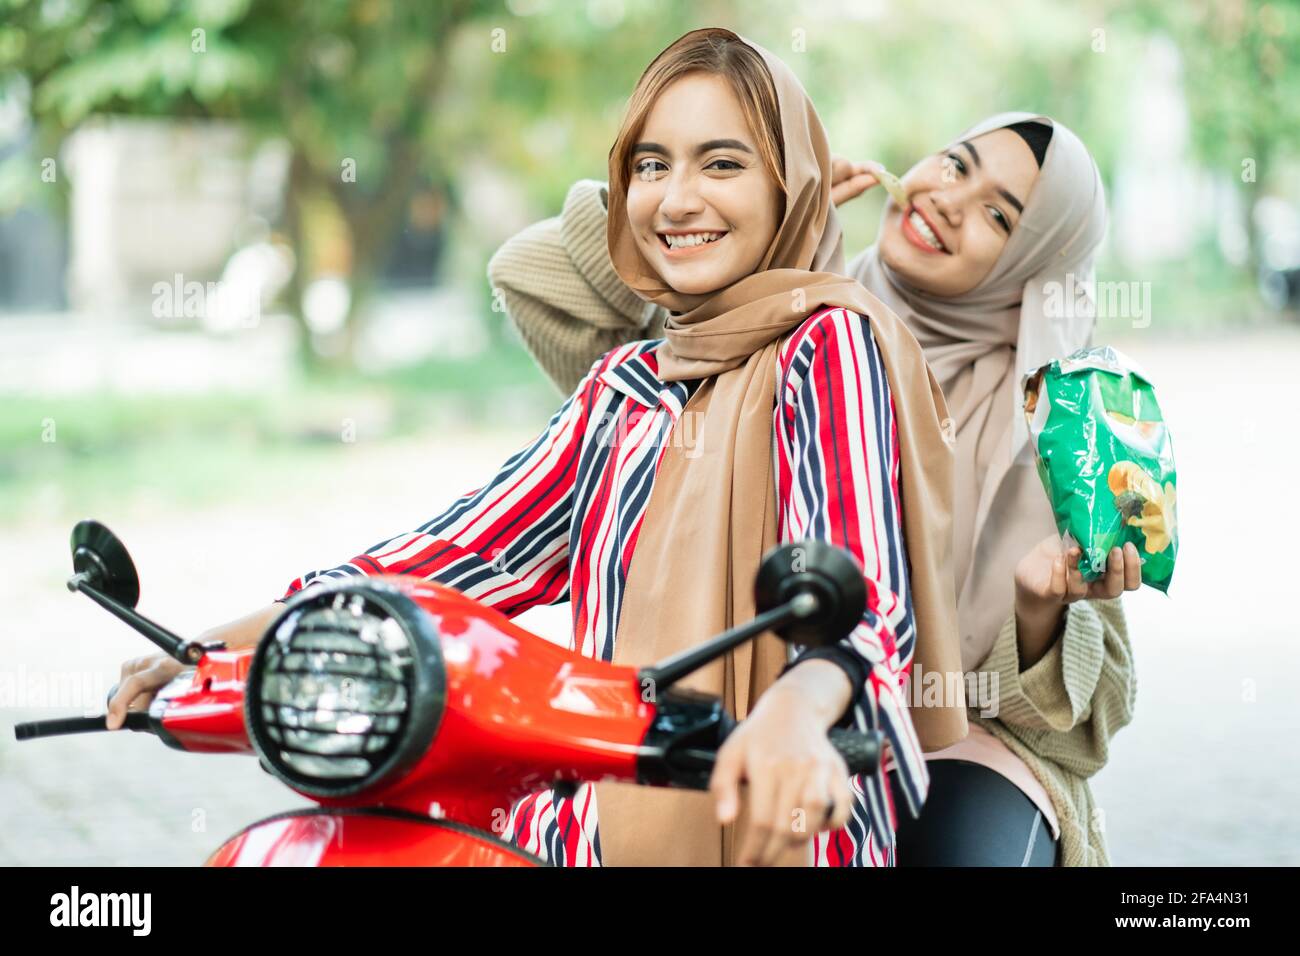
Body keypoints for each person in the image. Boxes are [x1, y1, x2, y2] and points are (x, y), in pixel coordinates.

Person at [107, 27, 966, 867]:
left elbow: (862, 594)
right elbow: (454, 556)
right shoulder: (625, 386)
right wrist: (220, 645)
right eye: (651, 164)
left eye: (724, 163)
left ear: (793, 188)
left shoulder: (829, 344)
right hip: (582, 832)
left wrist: (800, 709)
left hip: (782, 819)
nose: (676, 200)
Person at [486, 109, 1140, 866]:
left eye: (999, 214)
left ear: (1031, 263)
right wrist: (744, 213)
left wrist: (1037, 615)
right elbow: (529, 280)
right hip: (731, 695)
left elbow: (1101, 711)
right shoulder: (769, 306)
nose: (948, 201)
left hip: (957, 742)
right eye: (956, 165)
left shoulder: (1054, 415)